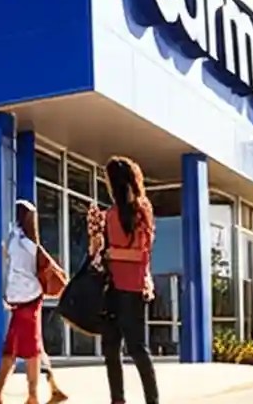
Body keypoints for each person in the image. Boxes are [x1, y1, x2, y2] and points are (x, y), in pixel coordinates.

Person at [87, 156, 158, 404]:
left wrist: (111, 252)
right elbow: (95, 253)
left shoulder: (141, 211)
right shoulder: (109, 214)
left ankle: (152, 400)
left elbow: (141, 253)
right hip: (112, 288)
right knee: (110, 349)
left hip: (133, 289)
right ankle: (117, 400)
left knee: (137, 348)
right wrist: (95, 234)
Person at [0, 200, 64, 404]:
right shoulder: (32, 244)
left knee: (28, 348)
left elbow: (6, 254)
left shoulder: (13, 238)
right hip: (31, 298)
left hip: (20, 300)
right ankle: (40, 391)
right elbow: (44, 266)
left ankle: (30, 394)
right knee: (23, 346)